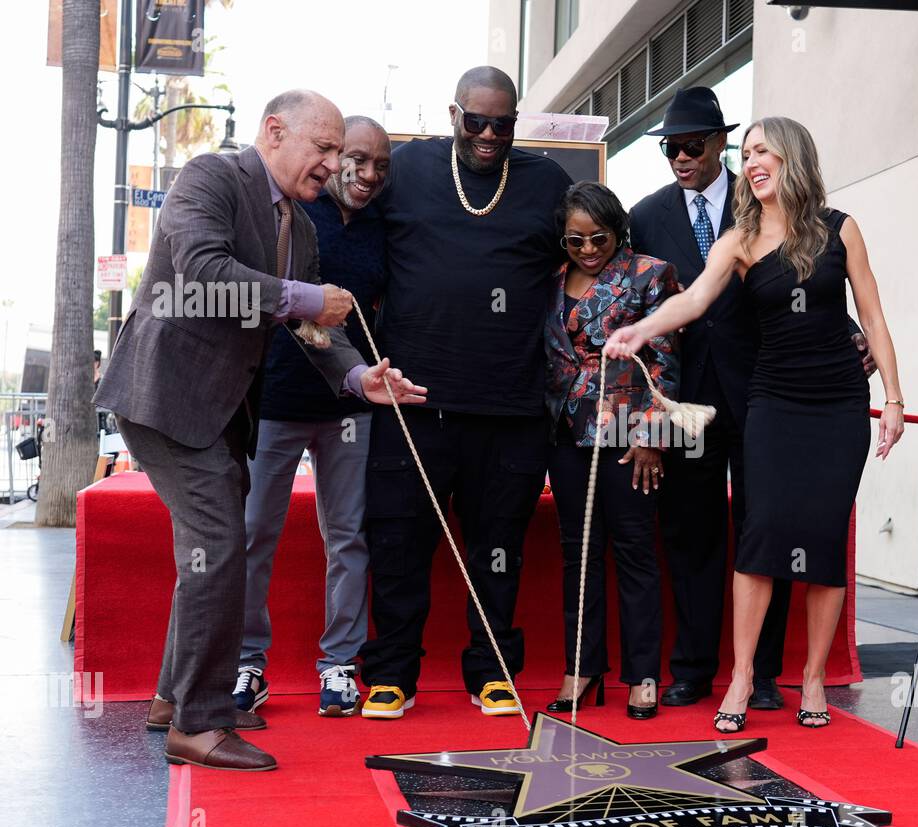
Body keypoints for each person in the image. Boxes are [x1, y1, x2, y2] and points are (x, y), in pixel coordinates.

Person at [93, 90, 425, 771]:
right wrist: (306, 296)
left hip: (219, 411)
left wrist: (359, 378)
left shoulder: (298, 228)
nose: (334, 165)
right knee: (219, 544)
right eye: (325, 148)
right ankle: (200, 724)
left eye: (340, 152)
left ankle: (174, 698)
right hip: (164, 397)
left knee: (209, 548)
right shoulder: (210, 178)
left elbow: (308, 329)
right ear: (274, 131)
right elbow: (203, 273)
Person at [606, 116, 905, 733]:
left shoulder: (839, 228)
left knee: (822, 539)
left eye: (762, 149)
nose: (753, 160)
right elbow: (692, 301)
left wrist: (895, 399)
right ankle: (742, 675)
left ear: (793, 156)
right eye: (747, 152)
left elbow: (873, 317)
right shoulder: (740, 239)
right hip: (772, 402)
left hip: (839, 403)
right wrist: (639, 329)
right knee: (761, 535)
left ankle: (815, 677)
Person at [359, 66, 573, 719]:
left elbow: (598, 262)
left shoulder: (547, 183)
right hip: (414, 403)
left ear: (515, 122)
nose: (487, 135)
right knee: (399, 545)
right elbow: (347, 232)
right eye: (475, 121)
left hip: (511, 408)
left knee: (499, 549)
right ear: (454, 114)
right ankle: (392, 671)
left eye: (501, 124)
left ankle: (493, 670)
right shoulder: (410, 169)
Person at [233, 116, 392, 718]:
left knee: (347, 535)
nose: (364, 173)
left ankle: (339, 667)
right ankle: (249, 664)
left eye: (380, 164)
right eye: (350, 157)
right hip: (274, 399)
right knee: (253, 536)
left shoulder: (384, 225)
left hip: (351, 402)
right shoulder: (294, 213)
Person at [544, 181, 680, 719]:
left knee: (635, 552)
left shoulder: (650, 273)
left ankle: (643, 674)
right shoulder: (552, 279)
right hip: (564, 433)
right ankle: (582, 668)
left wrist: (653, 438)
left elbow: (666, 359)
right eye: (575, 241)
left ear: (617, 229)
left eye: (597, 238)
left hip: (628, 434)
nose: (587, 251)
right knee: (578, 554)